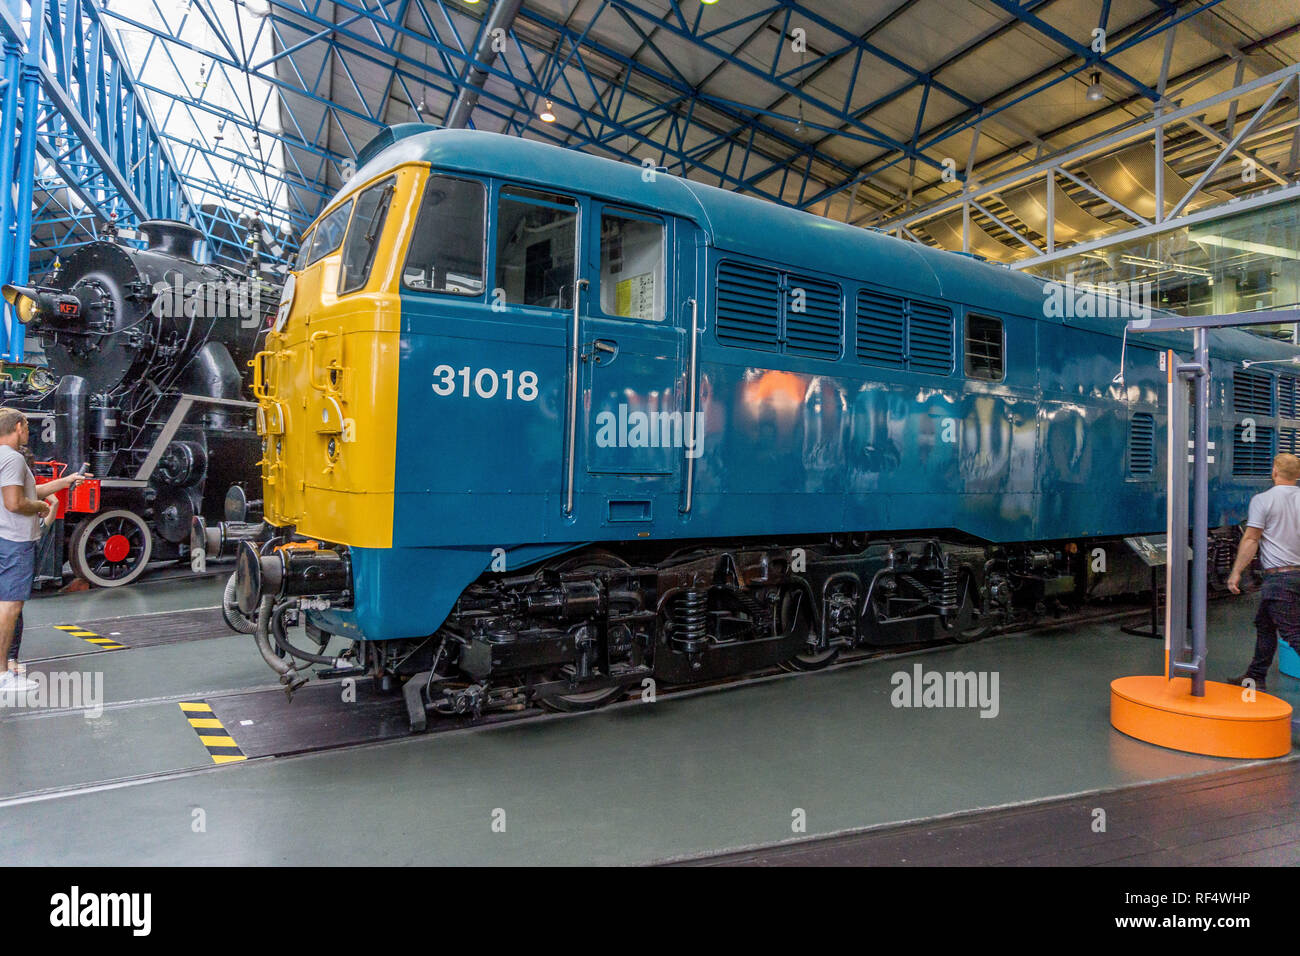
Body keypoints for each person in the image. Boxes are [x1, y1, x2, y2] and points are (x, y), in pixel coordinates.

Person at [0, 408, 89, 693]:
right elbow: (17, 503)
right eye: (26, 426)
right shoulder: (12, 458)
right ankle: (2, 673)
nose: (28, 431)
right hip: (15, 540)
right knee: (11, 605)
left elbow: (25, 492)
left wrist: (65, 481)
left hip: (5, 537)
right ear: (17, 426)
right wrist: (42, 508)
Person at [1225, 452, 1300, 693]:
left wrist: (1236, 572)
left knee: (1293, 633)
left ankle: (1256, 675)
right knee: (1265, 623)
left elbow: (1251, 539)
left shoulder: (1263, 500)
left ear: (1274, 472)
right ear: (1297, 475)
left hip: (1280, 577)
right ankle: (1256, 675)